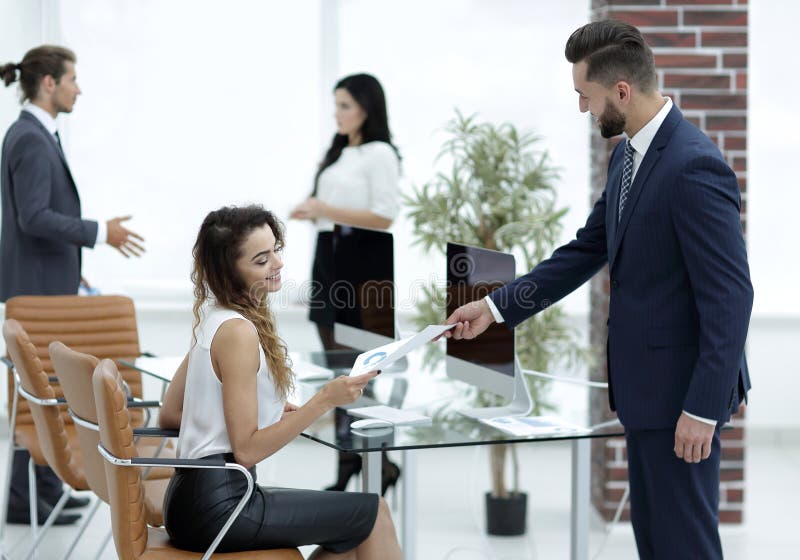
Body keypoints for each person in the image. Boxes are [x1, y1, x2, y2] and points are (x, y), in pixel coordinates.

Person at [444, 20, 752, 560]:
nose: (583, 110)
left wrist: (702, 410)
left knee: (686, 547)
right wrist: (496, 307)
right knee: (656, 543)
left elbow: (731, 297)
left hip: (682, 400)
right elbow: (586, 250)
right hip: (645, 397)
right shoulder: (628, 156)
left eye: (585, 97)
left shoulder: (693, 165)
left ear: (622, 92)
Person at [159, 205, 402, 559]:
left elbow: (170, 414)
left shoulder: (215, 320)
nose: (277, 263)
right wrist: (324, 400)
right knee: (374, 513)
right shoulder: (238, 333)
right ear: (230, 272)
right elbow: (247, 451)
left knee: (353, 528)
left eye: (276, 250)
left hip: (189, 500)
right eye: (261, 260)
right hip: (223, 507)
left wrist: (252, 415)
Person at [0, 45, 145, 526]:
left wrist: (72, 263)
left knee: (42, 386)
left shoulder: (37, 135)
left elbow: (30, 222)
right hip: (37, 291)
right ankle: (24, 499)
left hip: (46, 280)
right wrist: (101, 232)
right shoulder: (29, 139)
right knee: (36, 391)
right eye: (72, 79)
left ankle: (40, 492)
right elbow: (34, 216)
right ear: (48, 83)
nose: (78, 88)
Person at [290, 73, 401, 495]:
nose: (337, 114)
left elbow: (384, 216)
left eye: (345, 106)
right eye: (335, 105)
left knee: (360, 368)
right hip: (329, 256)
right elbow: (332, 210)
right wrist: (313, 210)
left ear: (366, 109)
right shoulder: (340, 152)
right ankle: (350, 461)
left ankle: (376, 461)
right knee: (337, 369)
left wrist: (325, 207)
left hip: (362, 262)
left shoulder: (380, 154)